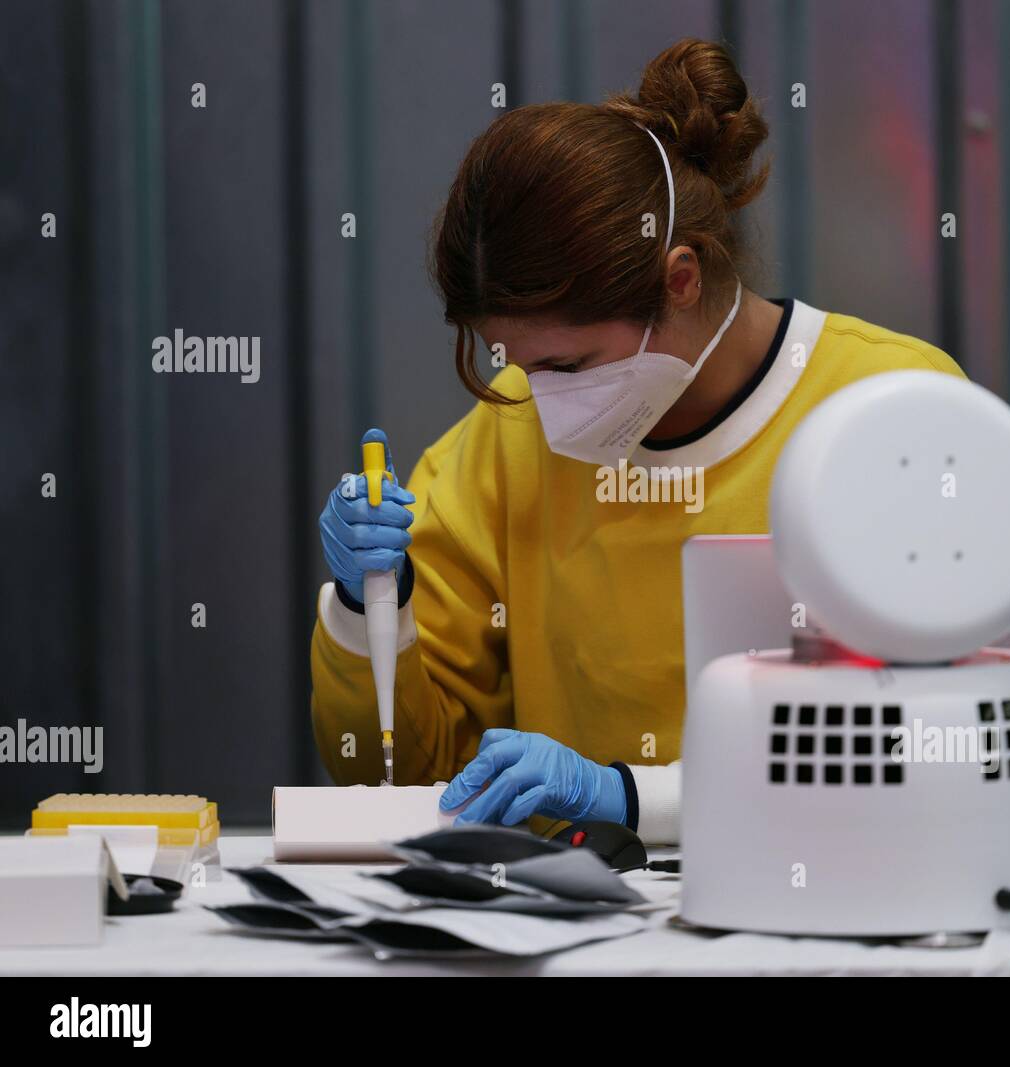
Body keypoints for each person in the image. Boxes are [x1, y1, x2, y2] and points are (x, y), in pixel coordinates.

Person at [311, 38, 965, 844]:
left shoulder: (891, 409)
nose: (540, 402)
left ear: (679, 280)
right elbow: (405, 774)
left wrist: (634, 798)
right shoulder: (504, 438)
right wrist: (366, 606)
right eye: (517, 362)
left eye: (568, 363)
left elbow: (941, 749)